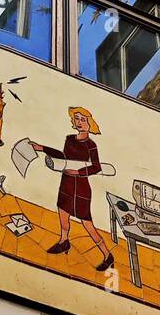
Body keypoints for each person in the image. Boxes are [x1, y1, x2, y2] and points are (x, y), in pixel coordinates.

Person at [29, 107, 113, 272]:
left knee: (88, 224)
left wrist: (79, 172)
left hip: (81, 188)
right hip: (66, 182)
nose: (80, 122)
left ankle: (107, 255)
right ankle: (63, 242)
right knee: (63, 217)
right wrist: (42, 148)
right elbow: (63, 157)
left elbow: (96, 167)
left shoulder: (91, 145)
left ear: (90, 124)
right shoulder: (69, 139)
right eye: (77, 119)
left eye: (83, 119)